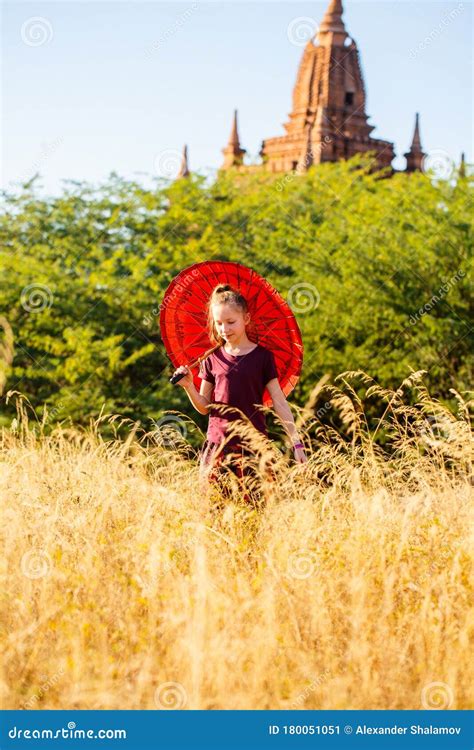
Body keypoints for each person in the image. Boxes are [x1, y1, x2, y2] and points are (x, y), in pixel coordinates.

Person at [171, 283, 307, 503]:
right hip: (218, 447)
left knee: (255, 513)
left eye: (231, 322)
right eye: (219, 323)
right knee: (215, 514)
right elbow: (205, 407)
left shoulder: (263, 357)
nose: (224, 329)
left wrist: (296, 442)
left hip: (254, 448)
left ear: (246, 319)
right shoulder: (211, 358)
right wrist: (189, 386)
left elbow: (280, 403)